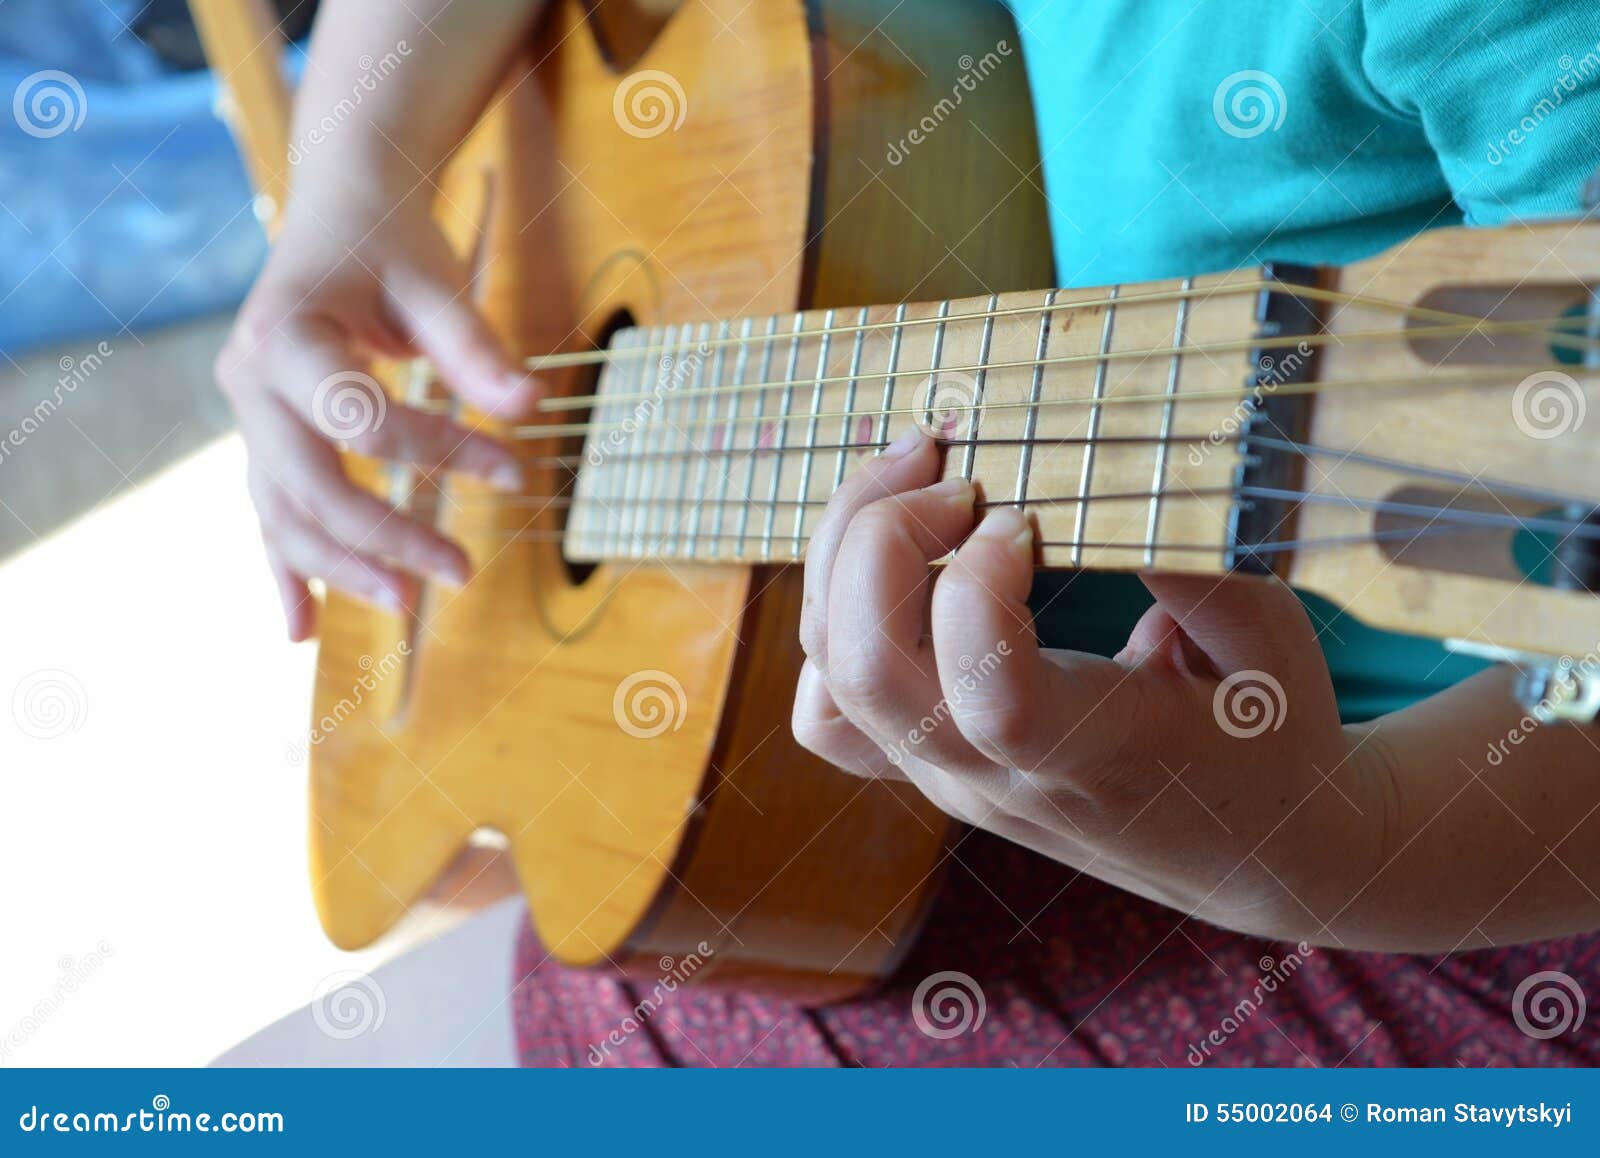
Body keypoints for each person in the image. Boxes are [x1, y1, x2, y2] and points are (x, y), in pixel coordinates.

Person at [216, 0, 1600, 1066]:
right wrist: (350, 183)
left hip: (1463, 843)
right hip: (1035, 742)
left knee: (629, 1027)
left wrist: (1326, 839)